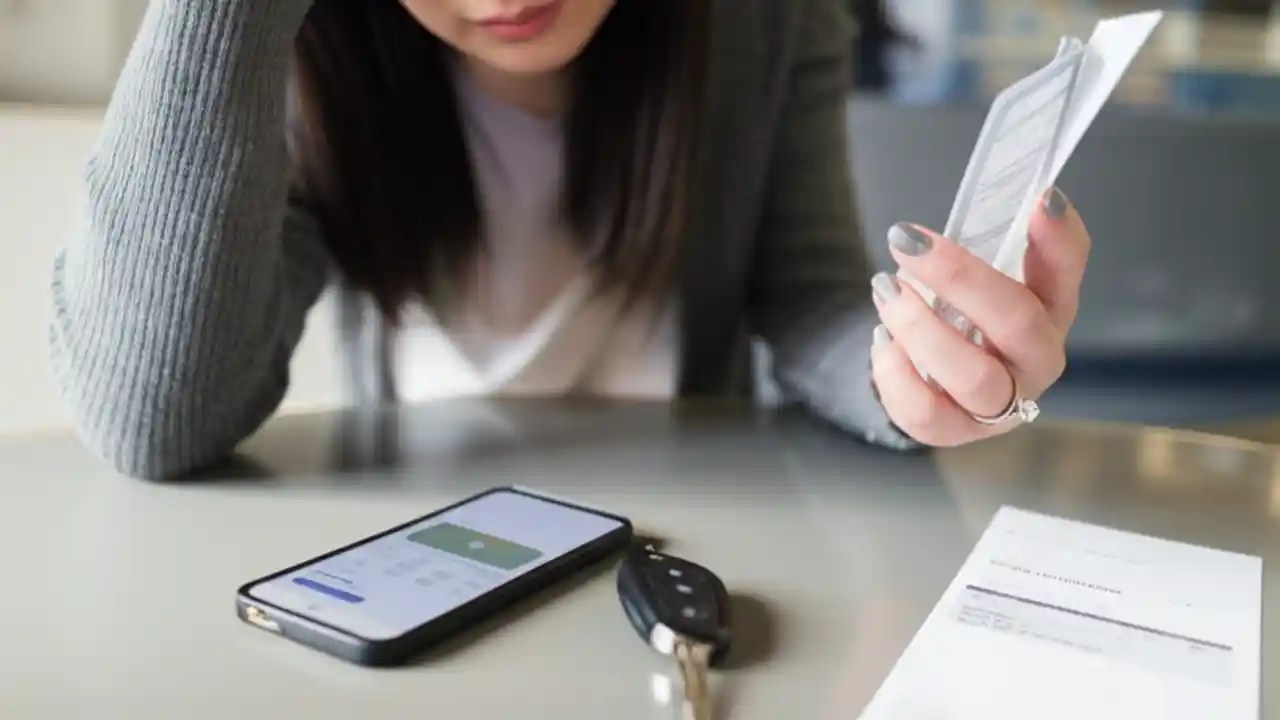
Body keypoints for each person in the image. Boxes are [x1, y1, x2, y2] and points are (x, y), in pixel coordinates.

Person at [48, 0, 1091, 480]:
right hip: (405, 528)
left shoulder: (763, 23)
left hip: (701, 524)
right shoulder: (302, 47)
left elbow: (804, 289)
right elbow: (155, 421)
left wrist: (905, 378)